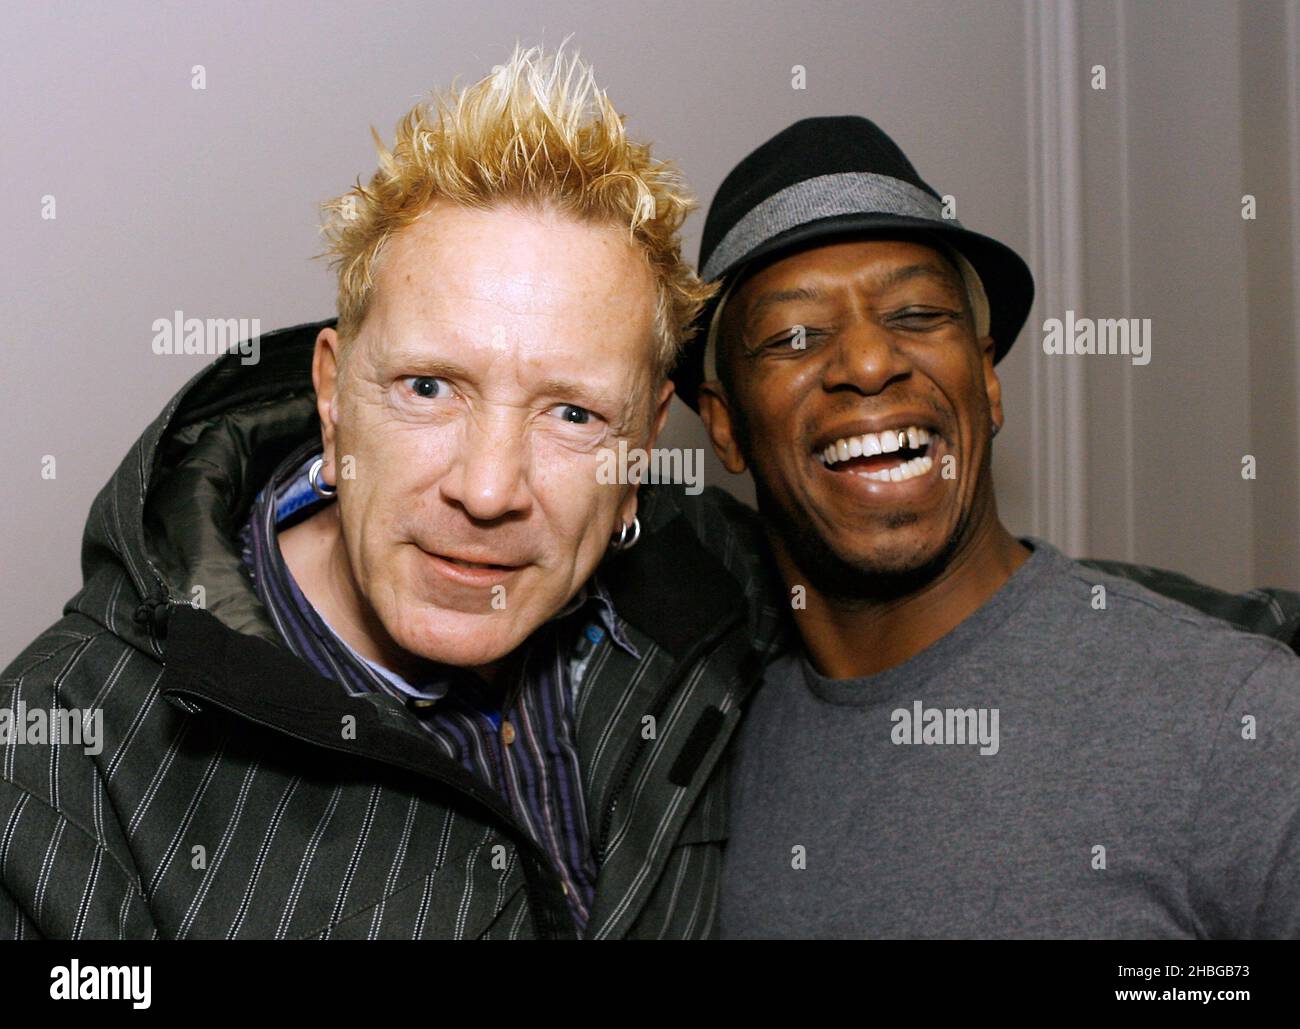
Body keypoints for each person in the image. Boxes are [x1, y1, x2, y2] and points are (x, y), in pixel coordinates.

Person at [0, 46, 782, 940]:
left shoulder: (721, 584)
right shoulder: (63, 763)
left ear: (640, 449)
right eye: (428, 387)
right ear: (333, 397)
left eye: (573, 413)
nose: (487, 489)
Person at [678, 116, 1300, 938]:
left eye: (915, 314)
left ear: (988, 380)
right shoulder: (711, 767)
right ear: (725, 426)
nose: (869, 362)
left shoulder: (1236, 716)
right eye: (795, 335)